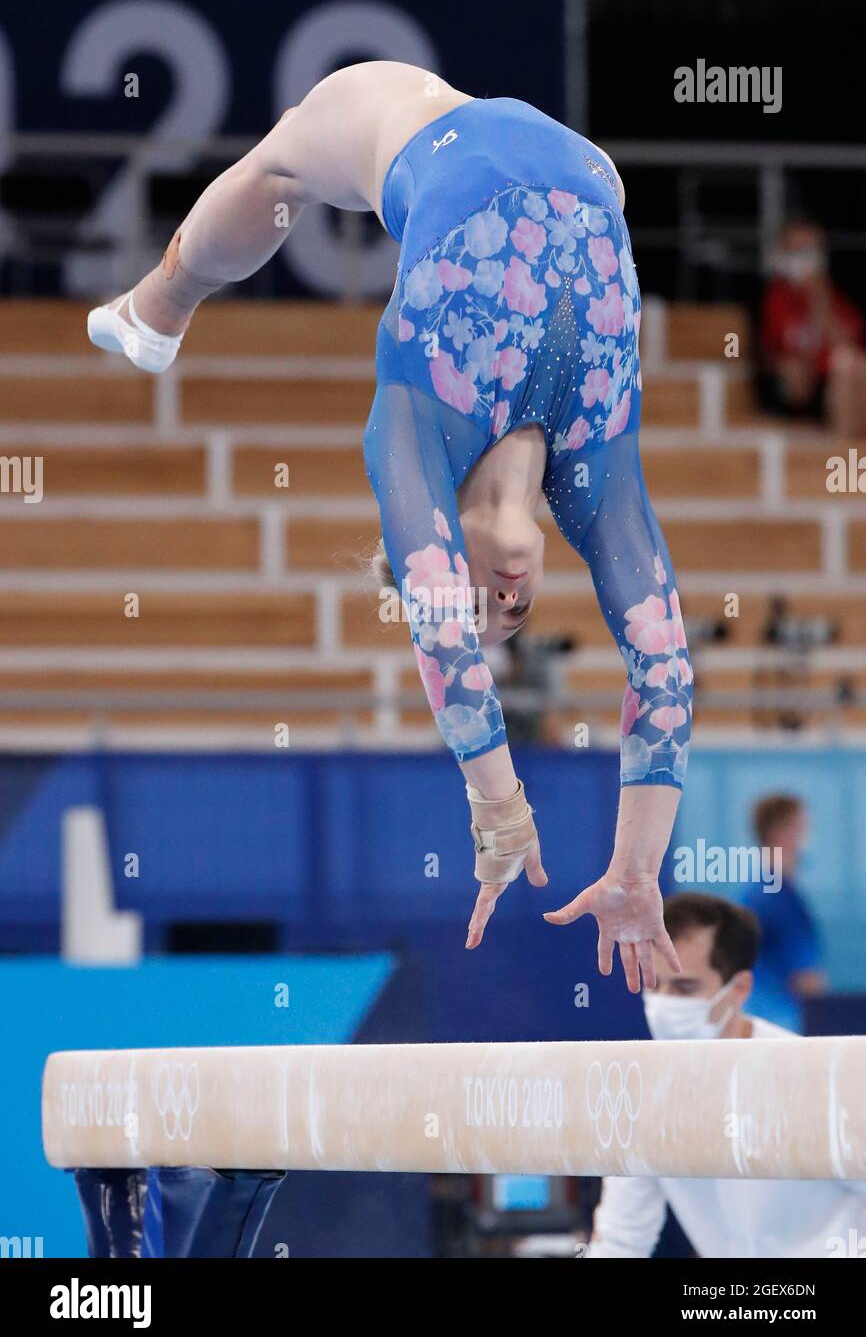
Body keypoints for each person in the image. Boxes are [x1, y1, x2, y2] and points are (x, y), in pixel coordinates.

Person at [87, 61, 692, 983]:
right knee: (282, 169)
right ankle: (156, 305)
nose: (507, 597)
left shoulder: (416, 427)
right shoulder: (594, 467)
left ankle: (157, 302)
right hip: (586, 172)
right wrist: (637, 871)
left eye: (481, 599)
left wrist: (500, 812)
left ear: (441, 548)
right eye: (517, 614)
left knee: (281, 162)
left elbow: (443, 635)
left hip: (418, 126)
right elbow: (664, 658)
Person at [588, 892, 864, 1258]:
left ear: (740, 989)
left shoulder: (814, 1080)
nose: (664, 1003)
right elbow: (621, 1240)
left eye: (685, 987)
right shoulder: (644, 1095)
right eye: (654, 985)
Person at [758, 218, 866, 436]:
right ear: (781, 254)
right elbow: (768, 354)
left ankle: (848, 455)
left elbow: (847, 344)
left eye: (812, 250)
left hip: (835, 382)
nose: (807, 258)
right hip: (798, 388)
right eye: (799, 250)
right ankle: (843, 458)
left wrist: (819, 298)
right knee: (847, 366)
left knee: (852, 365)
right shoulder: (772, 297)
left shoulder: (834, 295)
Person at [739, 793, 826, 1032]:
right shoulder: (777, 898)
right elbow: (808, 979)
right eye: (804, 828)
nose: (808, 837)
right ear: (783, 833)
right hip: (776, 1025)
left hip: (757, 1021)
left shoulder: (757, 890)